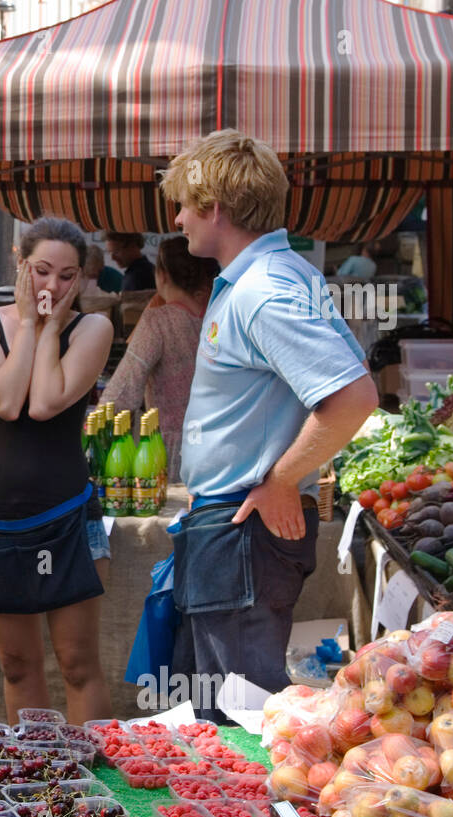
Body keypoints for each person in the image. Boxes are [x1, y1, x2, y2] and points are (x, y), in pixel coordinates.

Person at [159, 129, 378, 709]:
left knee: (239, 720)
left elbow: (352, 397)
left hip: (242, 533)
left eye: (184, 205)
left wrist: (282, 478)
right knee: (222, 712)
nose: (177, 219)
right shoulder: (278, 276)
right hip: (236, 530)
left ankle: (262, 805)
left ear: (216, 210)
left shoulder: (263, 290)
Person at [0, 217, 116, 725]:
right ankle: (38, 778)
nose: (52, 286)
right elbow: (4, 400)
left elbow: (46, 402)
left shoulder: (93, 327)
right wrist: (28, 323)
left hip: (66, 511)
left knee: (76, 664)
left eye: (67, 276)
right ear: (19, 261)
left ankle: (93, 788)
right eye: (42, 271)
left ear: (82, 279)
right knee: (17, 664)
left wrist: (47, 327)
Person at [99, 237, 218, 482]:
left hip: (170, 451)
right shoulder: (223, 317)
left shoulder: (158, 321)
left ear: (162, 275)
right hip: (222, 447)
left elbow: (122, 392)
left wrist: (93, 433)